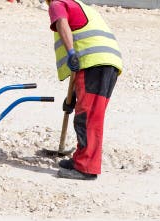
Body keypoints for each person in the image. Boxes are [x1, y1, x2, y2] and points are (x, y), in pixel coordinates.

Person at [45, 0, 123, 180]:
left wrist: (71, 52)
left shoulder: (58, 4)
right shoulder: (82, 6)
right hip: (107, 63)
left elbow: (62, 23)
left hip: (93, 63)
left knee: (87, 118)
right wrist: (73, 97)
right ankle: (81, 159)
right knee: (90, 115)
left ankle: (85, 168)